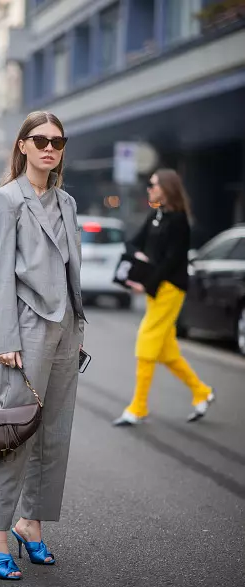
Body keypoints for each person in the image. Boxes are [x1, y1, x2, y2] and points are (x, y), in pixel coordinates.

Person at [0, 111, 86, 579]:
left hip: (66, 330)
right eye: (39, 139)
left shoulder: (67, 203)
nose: (49, 148)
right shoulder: (5, 201)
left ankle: (31, 524)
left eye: (58, 141)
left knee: (54, 436)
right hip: (25, 330)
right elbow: (0, 272)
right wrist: (5, 338)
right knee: (17, 436)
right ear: (22, 145)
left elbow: (69, 271)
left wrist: (78, 322)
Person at [113, 169, 215, 427]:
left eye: (153, 184)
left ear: (167, 189)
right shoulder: (157, 214)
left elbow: (173, 261)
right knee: (167, 351)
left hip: (170, 288)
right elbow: (132, 242)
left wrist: (145, 283)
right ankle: (201, 391)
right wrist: (140, 258)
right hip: (155, 287)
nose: (149, 188)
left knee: (146, 343)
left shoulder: (179, 221)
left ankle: (138, 407)